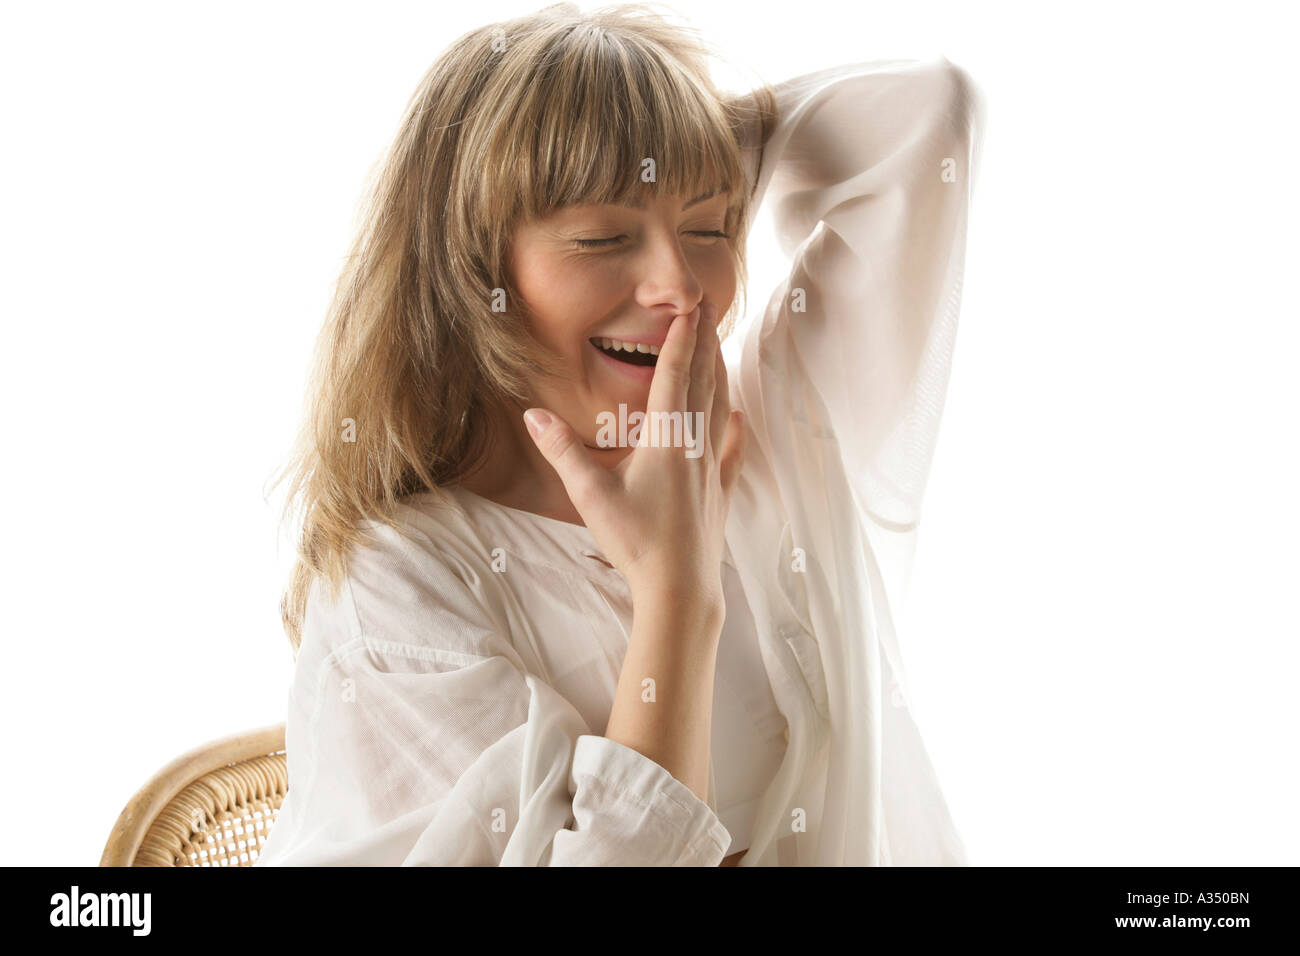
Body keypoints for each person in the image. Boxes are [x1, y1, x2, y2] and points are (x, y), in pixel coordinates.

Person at [255, 1, 986, 866]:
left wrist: (667, 135)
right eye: (603, 235)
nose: (681, 285)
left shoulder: (766, 438)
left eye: (709, 228)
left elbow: (928, 119)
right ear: (470, 270)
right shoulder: (397, 593)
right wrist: (676, 589)